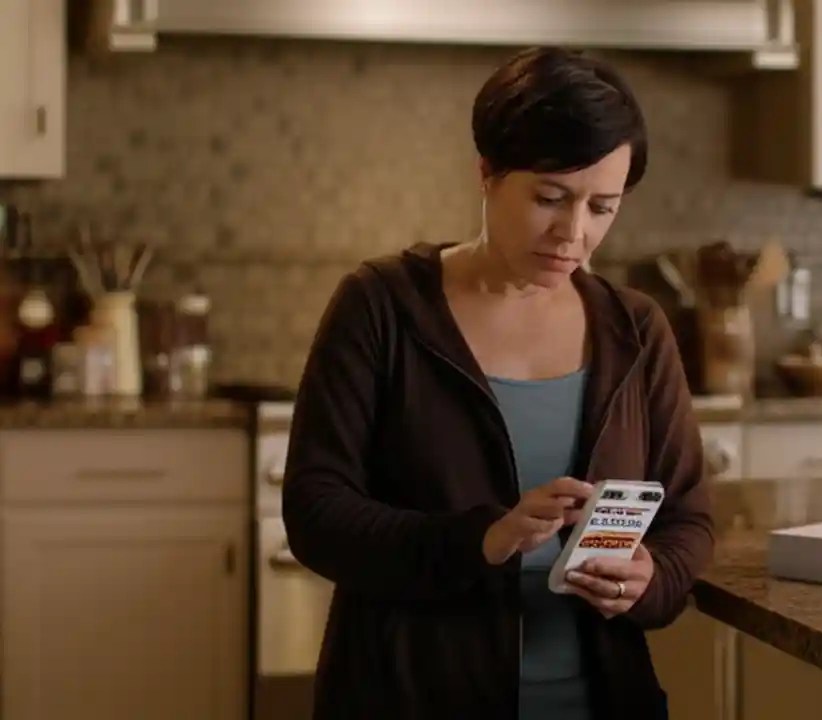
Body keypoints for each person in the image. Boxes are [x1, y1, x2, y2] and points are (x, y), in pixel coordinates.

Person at [282, 46, 715, 719]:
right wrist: (481, 540)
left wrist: (651, 579)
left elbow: (688, 519)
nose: (574, 234)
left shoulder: (635, 330)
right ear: (487, 173)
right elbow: (316, 513)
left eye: (602, 207)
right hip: (409, 697)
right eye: (550, 198)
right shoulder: (382, 306)